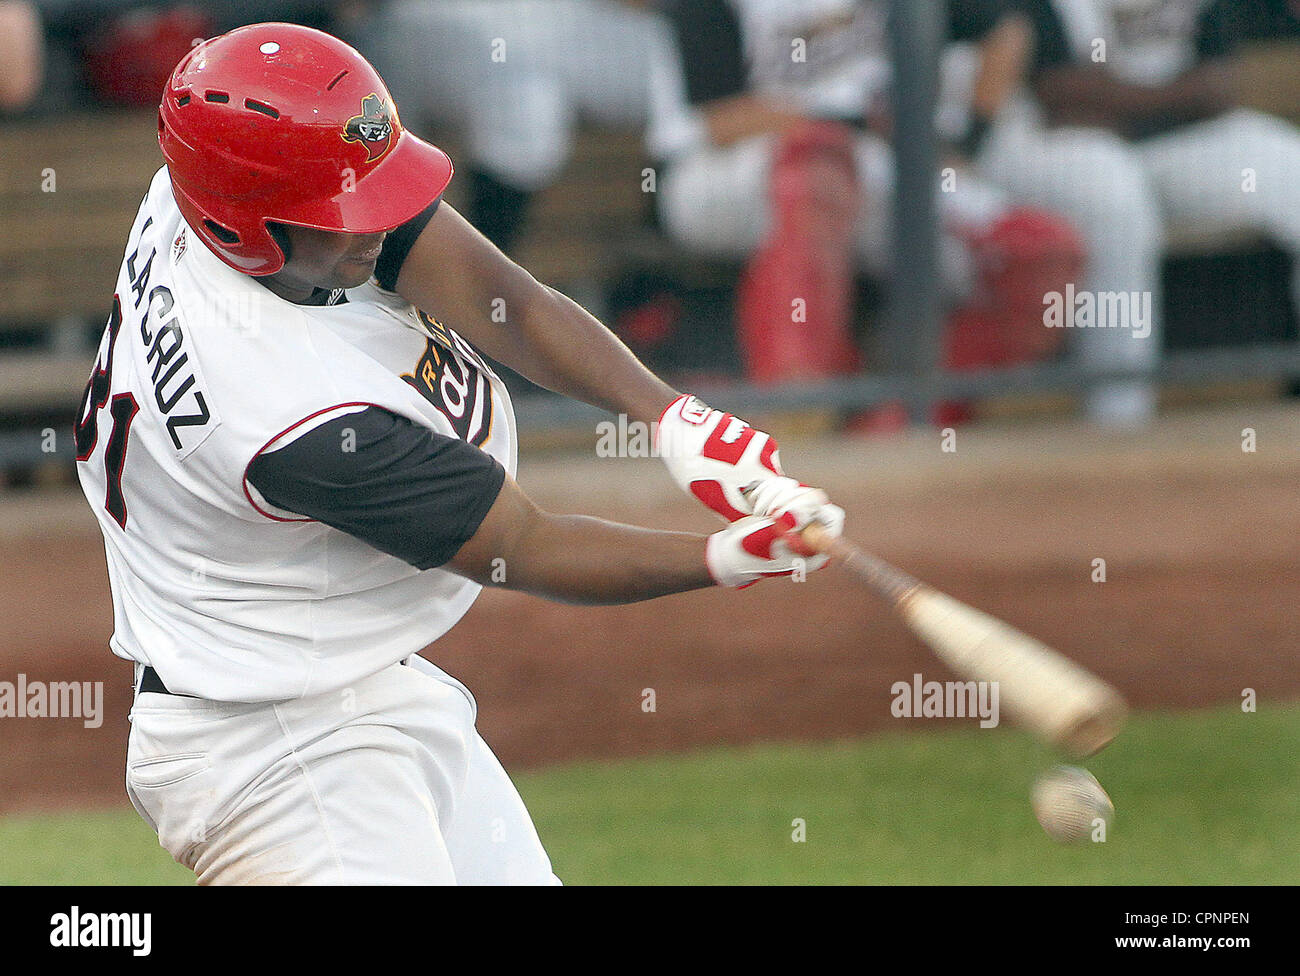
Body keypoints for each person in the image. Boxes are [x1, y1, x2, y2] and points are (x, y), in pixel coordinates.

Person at [74, 23, 844, 885]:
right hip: (269, 754)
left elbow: (497, 294)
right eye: (347, 214)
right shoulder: (283, 414)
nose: (378, 227)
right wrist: (726, 556)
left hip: (355, 678)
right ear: (243, 227)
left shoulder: (206, 188)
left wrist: (675, 420)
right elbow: (526, 547)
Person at [646, 0, 1085, 416]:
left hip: (871, 162)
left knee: (1044, 254)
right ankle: (798, 409)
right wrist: (845, 122)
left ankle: (903, 422)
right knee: (819, 165)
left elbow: (1007, 28)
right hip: (721, 172)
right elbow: (715, 120)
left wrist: (969, 140)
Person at [981, 0, 1300, 424]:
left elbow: (1220, 86)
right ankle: (1118, 422)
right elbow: (1056, 93)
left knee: (1290, 170)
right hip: (1044, 142)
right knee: (1115, 200)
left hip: (1168, 135)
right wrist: (1174, 99)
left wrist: (1127, 105)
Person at [352, 0, 667, 252]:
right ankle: (475, 273)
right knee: (524, 95)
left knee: (662, 52)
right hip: (441, 17)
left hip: (566, 18)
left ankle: (654, 250)